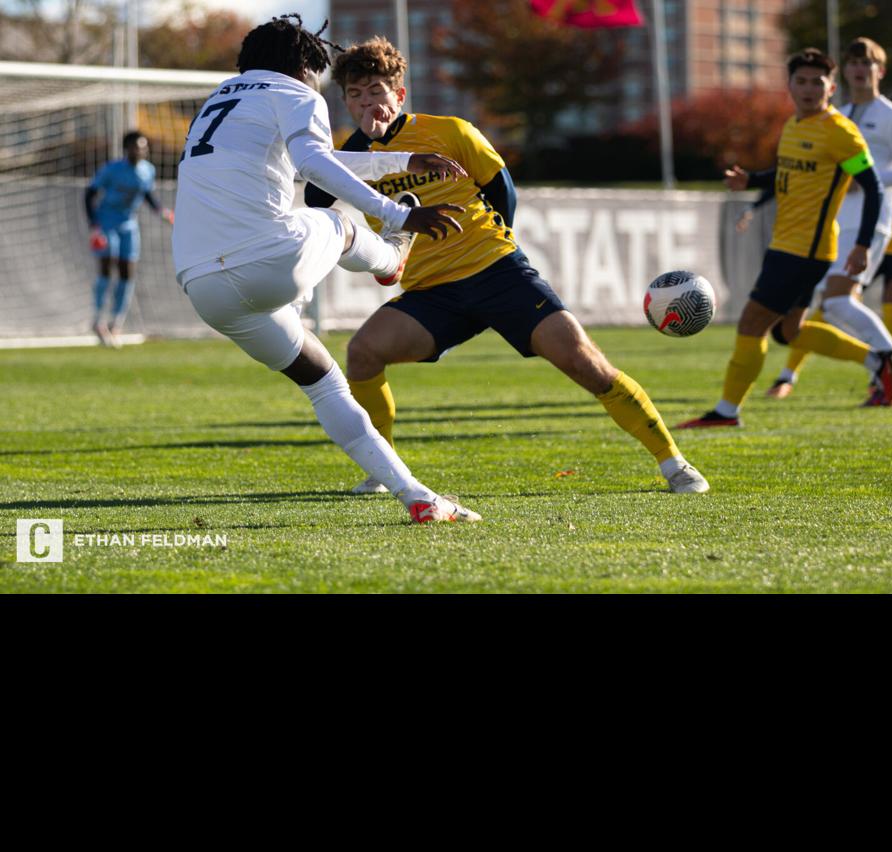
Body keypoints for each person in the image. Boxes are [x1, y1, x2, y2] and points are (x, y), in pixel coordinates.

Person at [304, 36, 707, 495]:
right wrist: (364, 140)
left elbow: (501, 189)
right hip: (432, 293)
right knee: (362, 353)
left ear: (399, 94)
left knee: (587, 365)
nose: (365, 101)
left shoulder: (450, 131)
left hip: (497, 273)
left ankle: (674, 462)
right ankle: (383, 471)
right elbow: (317, 193)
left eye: (375, 89)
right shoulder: (354, 154)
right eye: (354, 94)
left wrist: (499, 246)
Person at [171, 14, 481, 523]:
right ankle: (392, 258)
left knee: (324, 383)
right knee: (331, 221)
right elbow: (315, 165)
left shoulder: (215, 104)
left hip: (204, 287)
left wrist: (400, 160)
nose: (317, 84)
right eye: (316, 73)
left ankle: (418, 497)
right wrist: (399, 213)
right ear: (303, 67)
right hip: (267, 260)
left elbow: (315, 159)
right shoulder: (295, 94)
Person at [675, 47, 892, 429]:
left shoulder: (841, 133)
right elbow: (788, 172)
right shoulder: (795, 124)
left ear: (831, 88)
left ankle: (726, 412)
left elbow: (873, 188)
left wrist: (862, 246)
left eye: (818, 82)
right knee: (787, 332)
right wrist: (753, 180)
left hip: (804, 251)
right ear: (790, 85)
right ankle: (880, 360)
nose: (809, 88)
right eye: (802, 81)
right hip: (790, 245)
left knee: (750, 323)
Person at [765, 37, 892, 405]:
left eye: (866, 63)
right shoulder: (841, 112)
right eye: (852, 62)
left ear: (879, 71)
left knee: (835, 304)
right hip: (835, 224)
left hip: (871, 223)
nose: (858, 69)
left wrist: (867, 176)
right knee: (830, 305)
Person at [84, 131, 173, 347]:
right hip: (107, 223)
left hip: (129, 225)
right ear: (127, 149)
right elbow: (89, 194)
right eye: (135, 147)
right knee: (107, 269)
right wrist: (94, 226)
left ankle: (116, 324)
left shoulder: (147, 171)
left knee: (127, 274)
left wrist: (162, 211)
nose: (140, 151)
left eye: (143, 147)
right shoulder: (112, 169)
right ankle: (98, 320)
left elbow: (148, 195)